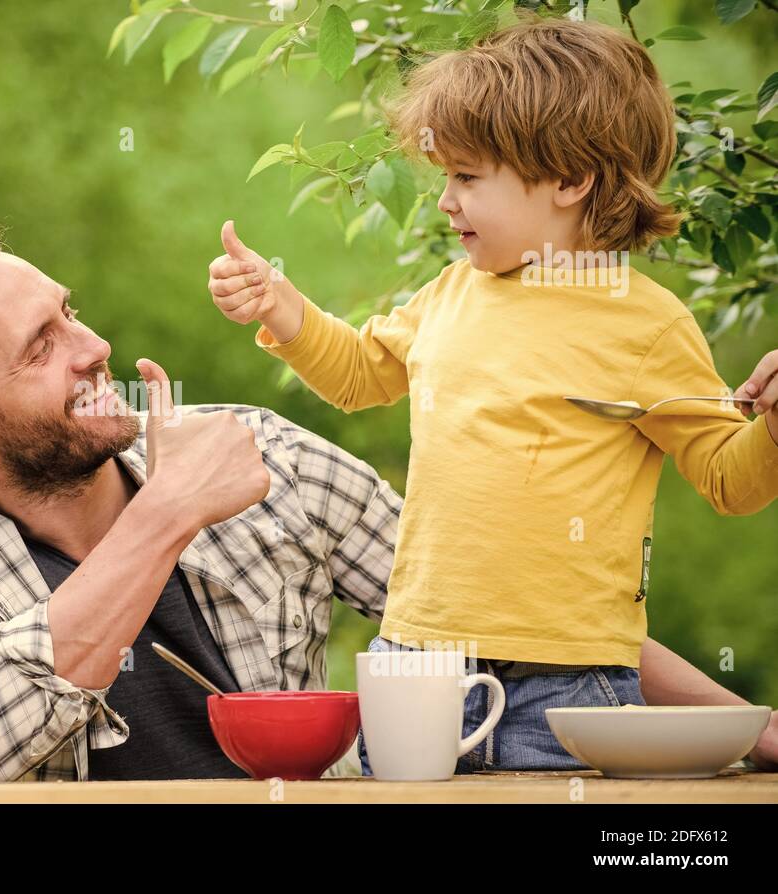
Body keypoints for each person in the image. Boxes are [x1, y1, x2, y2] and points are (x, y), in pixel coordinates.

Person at [0, 212, 777, 782]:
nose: (91, 347)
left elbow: (512, 605)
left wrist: (757, 731)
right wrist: (170, 511)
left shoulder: (260, 449)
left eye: (69, 312)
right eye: (41, 347)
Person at [206, 17, 778, 773]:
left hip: (569, 686)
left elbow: (731, 480)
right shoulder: (450, 294)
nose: (445, 202)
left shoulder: (646, 324)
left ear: (572, 180)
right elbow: (356, 373)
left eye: (468, 179)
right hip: (418, 663)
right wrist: (283, 309)